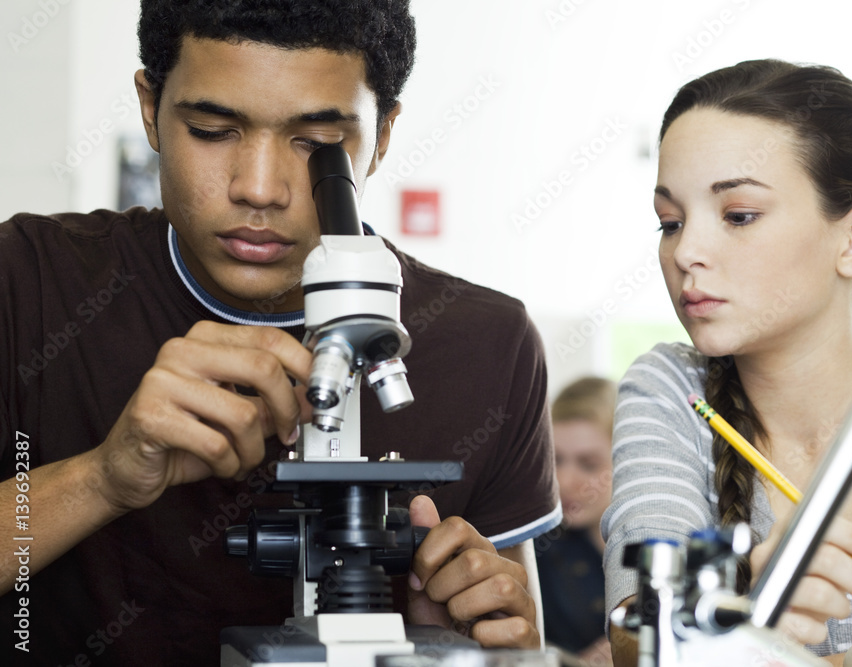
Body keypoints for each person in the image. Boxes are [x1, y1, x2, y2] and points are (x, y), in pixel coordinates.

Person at [0, 1, 561, 664]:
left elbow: (520, 633)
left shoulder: (490, 346)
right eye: (213, 129)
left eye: (317, 143)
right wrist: (103, 478)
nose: (259, 188)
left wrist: (466, 641)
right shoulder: (30, 281)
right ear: (150, 107)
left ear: (381, 136)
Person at [602, 58, 852, 665]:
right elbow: (638, 639)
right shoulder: (671, 390)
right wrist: (757, 613)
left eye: (738, 215)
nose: (687, 251)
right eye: (670, 222)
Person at [535, 376, 616, 664]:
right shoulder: (536, 553)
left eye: (588, 464)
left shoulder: (662, 545)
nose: (564, 481)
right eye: (555, 460)